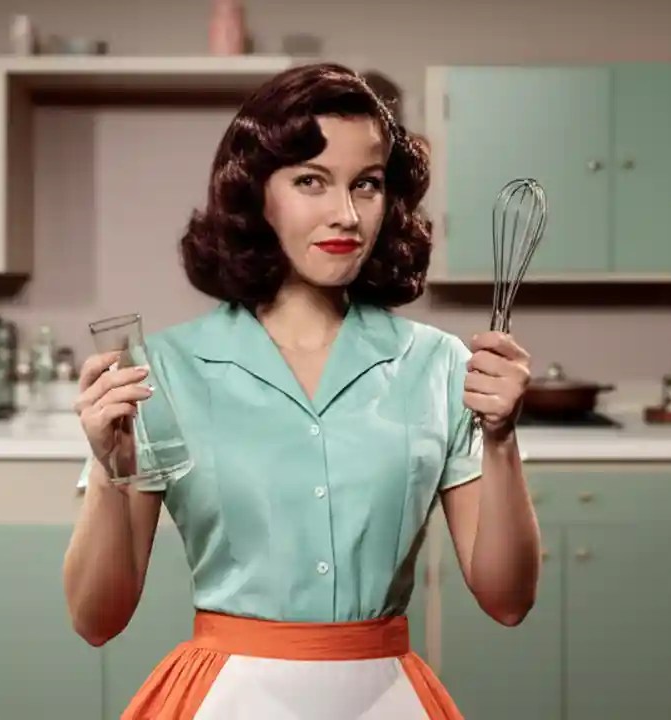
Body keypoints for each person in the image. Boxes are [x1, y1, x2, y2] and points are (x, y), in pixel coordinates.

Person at [63, 61, 542, 719]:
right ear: (257, 194)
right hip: (229, 700)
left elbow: (507, 601)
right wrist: (107, 461)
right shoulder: (163, 372)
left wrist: (503, 438)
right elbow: (97, 619)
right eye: (311, 181)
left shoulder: (438, 367)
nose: (345, 214)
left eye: (366, 184)